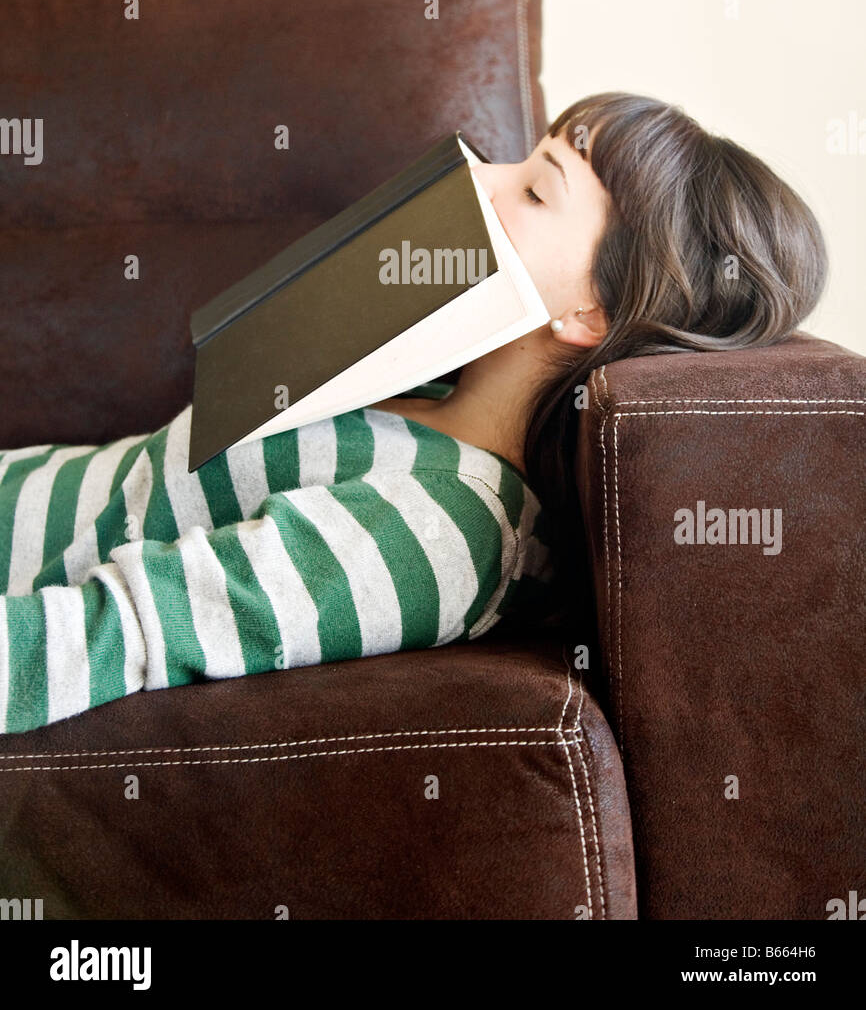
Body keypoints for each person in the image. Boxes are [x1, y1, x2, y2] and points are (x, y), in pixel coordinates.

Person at [0, 92, 827, 735]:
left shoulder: (447, 532)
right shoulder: (420, 376)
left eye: (536, 190)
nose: (479, 177)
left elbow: (124, 633)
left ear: (590, 316)